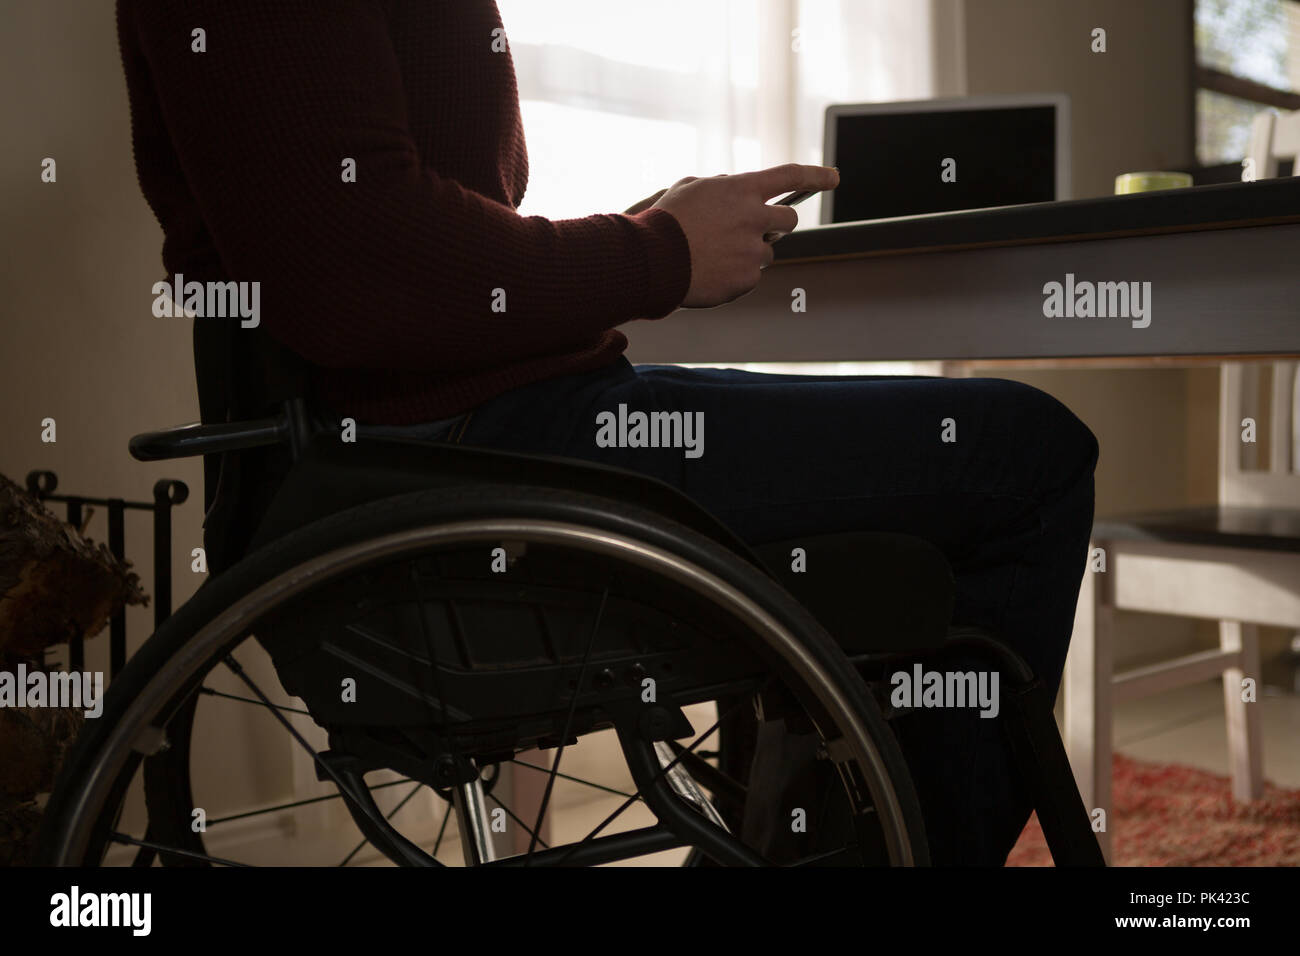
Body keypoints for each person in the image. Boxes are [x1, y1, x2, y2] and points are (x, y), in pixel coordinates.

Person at [117, 0, 1098, 864]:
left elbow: (384, 244)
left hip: (462, 424)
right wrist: (656, 252)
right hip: (457, 447)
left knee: (949, 470)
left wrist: (646, 235)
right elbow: (355, 265)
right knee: (1024, 455)